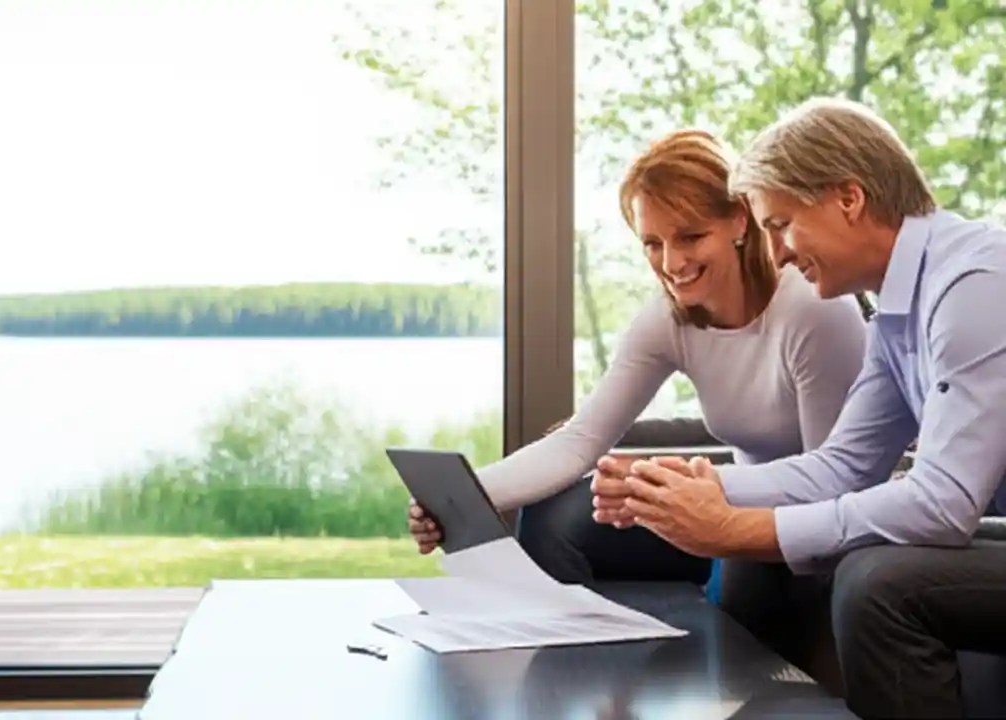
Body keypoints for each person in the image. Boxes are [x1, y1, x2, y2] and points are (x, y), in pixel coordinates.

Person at [592, 97, 1006, 718]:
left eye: (781, 224)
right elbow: (840, 465)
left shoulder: (972, 286)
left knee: (877, 583)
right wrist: (688, 486)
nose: (778, 252)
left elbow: (942, 505)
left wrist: (742, 529)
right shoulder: (896, 311)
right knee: (799, 552)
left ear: (848, 198)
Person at [406, 129, 868, 630]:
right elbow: (578, 441)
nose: (672, 264)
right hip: (720, 508)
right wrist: (464, 499)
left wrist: (687, 490)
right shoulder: (669, 318)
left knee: (740, 562)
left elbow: (834, 481)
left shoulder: (813, 309)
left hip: (812, 523)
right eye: (653, 243)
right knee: (553, 515)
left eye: (690, 236)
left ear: (740, 219)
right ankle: (561, 669)